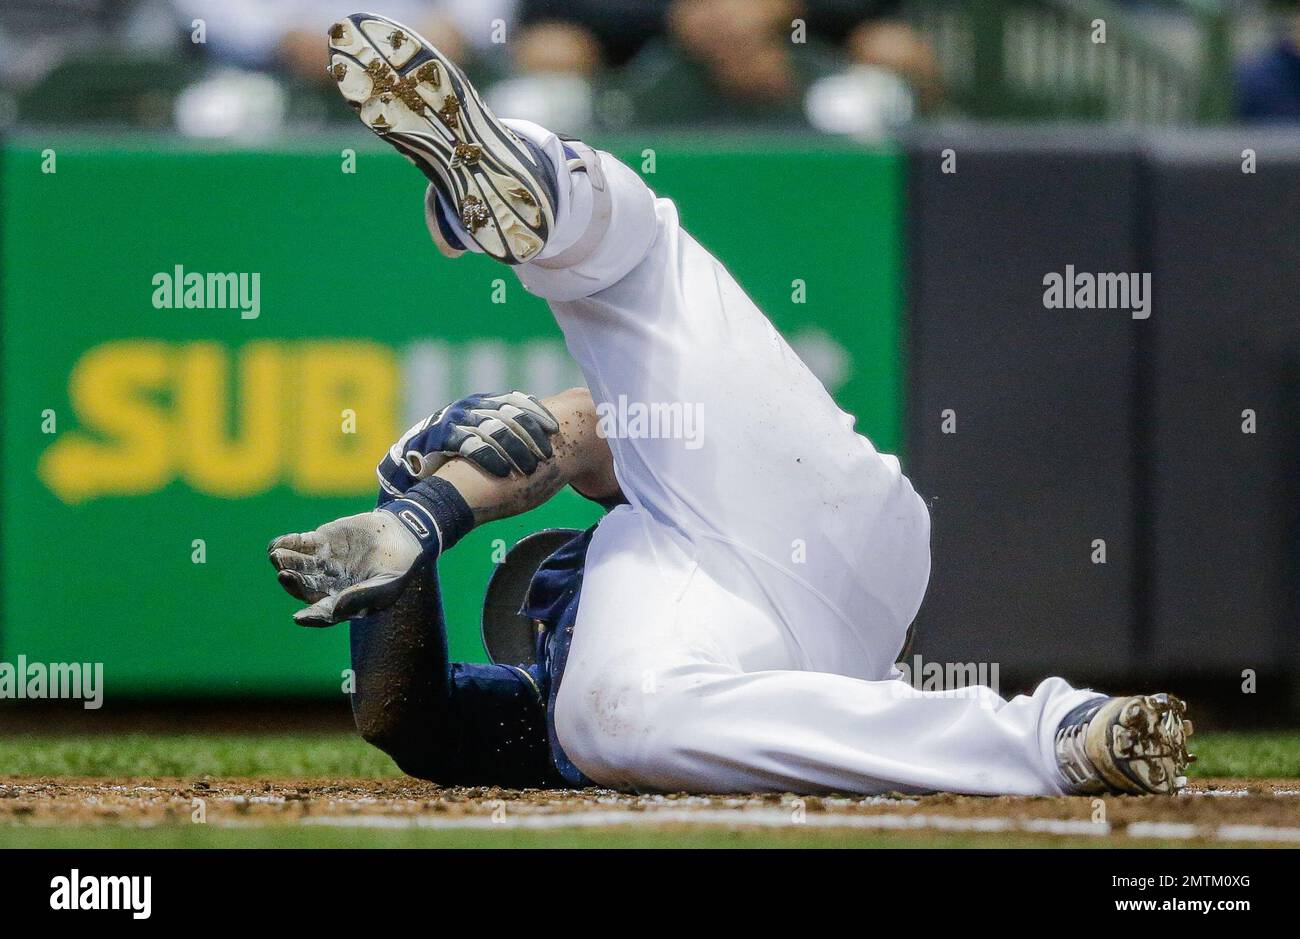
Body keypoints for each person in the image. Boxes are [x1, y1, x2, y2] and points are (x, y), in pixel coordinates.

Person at [269, 11, 1195, 796]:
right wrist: (411, 539)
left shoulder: (648, 523)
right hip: (823, 644)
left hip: (779, 512)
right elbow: (407, 721)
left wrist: (420, 511)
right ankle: (1064, 735)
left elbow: (562, 431)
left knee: (646, 291)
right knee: (612, 715)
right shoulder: (555, 705)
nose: (544, 613)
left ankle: (534, 185)